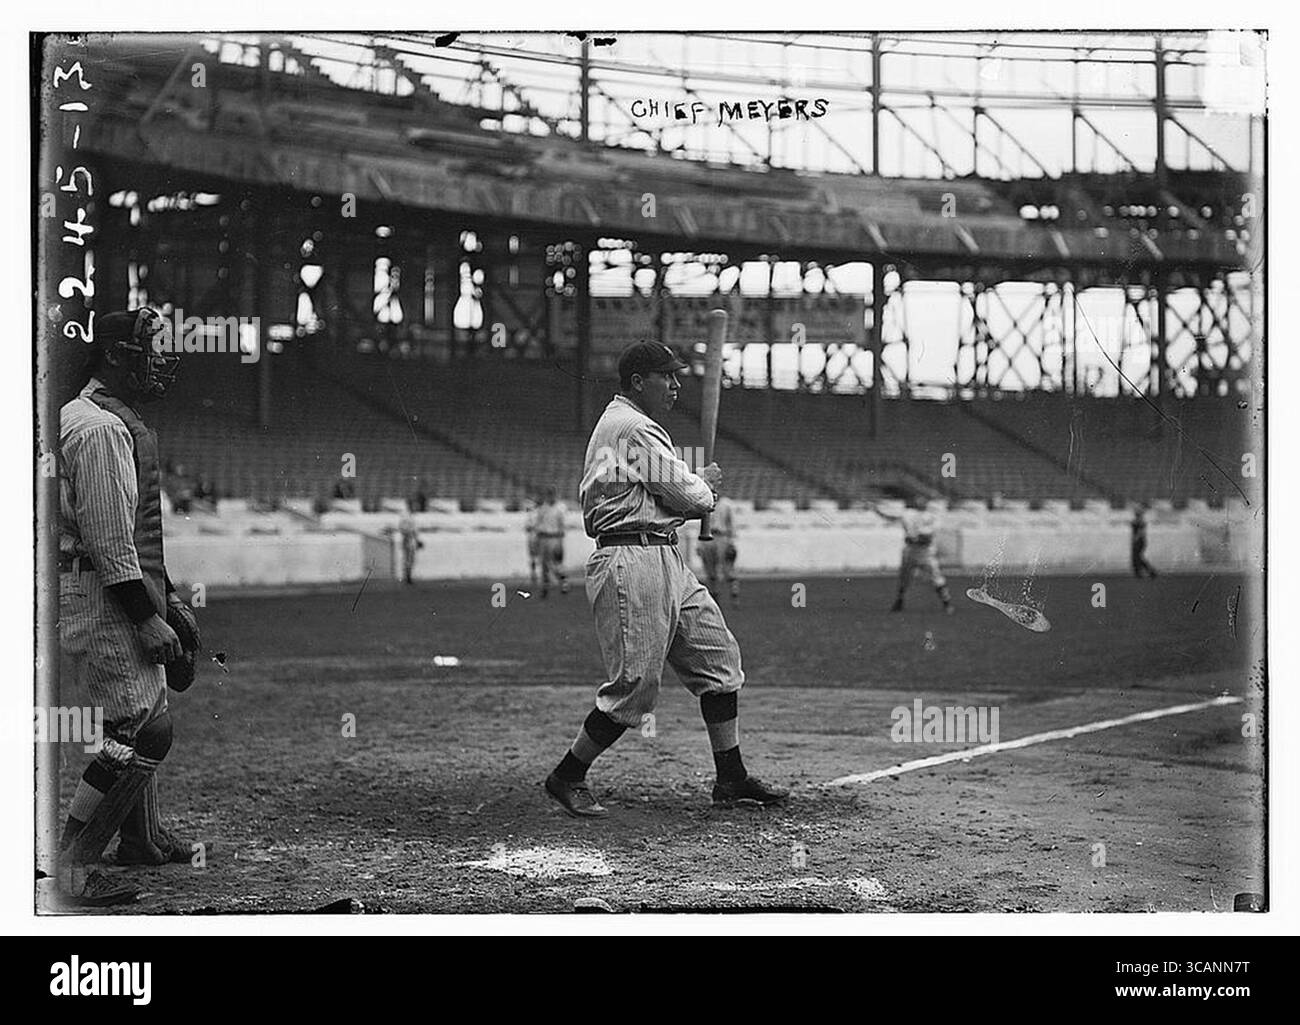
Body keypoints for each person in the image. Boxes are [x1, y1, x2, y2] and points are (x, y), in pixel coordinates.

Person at [544, 341, 787, 818]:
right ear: (639, 381)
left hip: (664, 557)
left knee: (719, 660)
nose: (676, 386)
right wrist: (707, 486)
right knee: (633, 686)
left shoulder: (635, 427)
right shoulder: (632, 428)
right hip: (630, 558)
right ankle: (568, 775)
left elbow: (672, 493)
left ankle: (731, 778)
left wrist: (697, 489)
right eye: (667, 377)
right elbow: (687, 495)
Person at [56, 308, 200, 907]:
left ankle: (139, 839)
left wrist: (163, 596)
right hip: (100, 591)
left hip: (103, 582)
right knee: (138, 729)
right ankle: (68, 866)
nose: (158, 361)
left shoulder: (103, 418)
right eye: (146, 349)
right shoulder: (96, 429)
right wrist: (146, 615)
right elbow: (111, 542)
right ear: (114, 356)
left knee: (146, 707)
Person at [879, 495, 954, 614]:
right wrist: (878, 512)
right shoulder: (909, 514)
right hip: (911, 551)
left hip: (925, 553)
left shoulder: (931, 517)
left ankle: (947, 603)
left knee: (936, 578)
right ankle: (899, 602)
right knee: (904, 579)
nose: (920, 502)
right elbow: (893, 518)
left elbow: (927, 537)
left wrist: (915, 539)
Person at [697, 492, 739, 604]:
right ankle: (714, 595)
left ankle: (734, 593)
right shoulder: (706, 503)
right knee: (710, 568)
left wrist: (731, 541)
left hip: (722, 536)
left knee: (727, 567)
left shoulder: (726, 504)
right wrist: (700, 543)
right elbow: (702, 525)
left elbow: (732, 523)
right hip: (709, 537)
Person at [535, 486, 569, 598]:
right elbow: (539, 524)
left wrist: (559, 541)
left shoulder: (560, 508)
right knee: (544, 564)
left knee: (555, 563)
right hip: (544, 537)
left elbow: (562, 525)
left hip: (554, 537)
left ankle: (563, 581)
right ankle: (545, 587)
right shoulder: (543, 508)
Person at [1131, 504, 1158, 578]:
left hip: (1139, 541)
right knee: (1136, 557)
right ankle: (1139, 572)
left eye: (1137, 511)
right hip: (1137, 540)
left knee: (1137, 557)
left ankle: (1150, 571)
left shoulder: (1141, 521)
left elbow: (1141, 531)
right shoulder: (1138, 520)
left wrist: (1136, 538)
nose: (1135, 512)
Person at [397, 507, 423, 585]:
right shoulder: (410, 519)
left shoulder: (405, 518)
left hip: (407, 541)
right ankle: (408, 577)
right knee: (409, 559)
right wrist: (417, 540)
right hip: (409, 541)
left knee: (408, 559)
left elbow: (402, 529)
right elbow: (412, 531)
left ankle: (407, 576)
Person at [523, 492, 541, 589]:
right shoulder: (536, 513)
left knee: (534, 557)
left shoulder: (534, 514)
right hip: (535, 536)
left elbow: (527, 527)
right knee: (535, 557)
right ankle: (535, 574)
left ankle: (535, 574)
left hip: (535, 536)